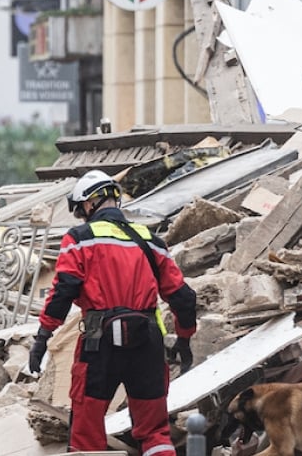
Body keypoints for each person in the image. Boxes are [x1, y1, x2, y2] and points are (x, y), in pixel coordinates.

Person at [28, 170, 197, 454]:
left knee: (87, 432)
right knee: (155, 432)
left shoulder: (79, 238)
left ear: (89, 203)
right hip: (148, 341)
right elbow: (183, 296)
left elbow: (64, 289)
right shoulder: (151, 240)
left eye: (80, 210)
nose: (81, 216)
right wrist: (184, 337)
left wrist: (43, 336)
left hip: (99, 340)